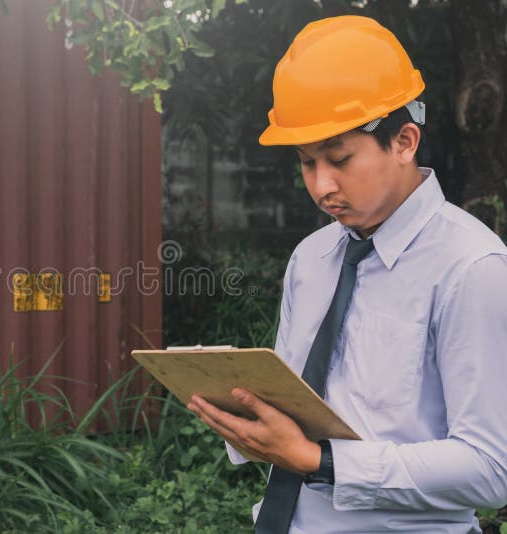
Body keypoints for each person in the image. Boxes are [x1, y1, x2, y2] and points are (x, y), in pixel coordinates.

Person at [186, 15, 507, 534]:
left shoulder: (471, 268)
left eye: (338, 158)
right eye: (307, 163)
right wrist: (244, 412)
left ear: (404, 140)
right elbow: (295, 403)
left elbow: (492, 470)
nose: (320, 186)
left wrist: (322, 462)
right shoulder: (311, 259)